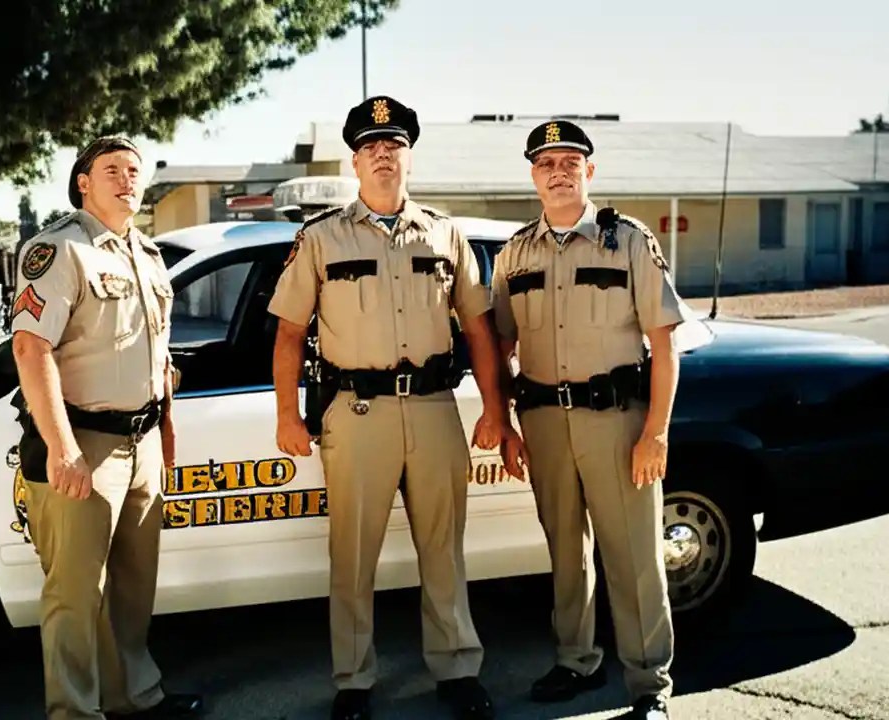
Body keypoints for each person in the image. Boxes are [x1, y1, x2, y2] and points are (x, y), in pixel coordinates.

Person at [267, 95, 522, 720]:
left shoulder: (446, 233)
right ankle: (353, 681)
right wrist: (287, 416)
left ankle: (458, 669)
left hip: (435, 408)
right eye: (371, 148)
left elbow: (479, 329)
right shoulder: (321, 237)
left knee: (444, 548)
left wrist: (495, 409)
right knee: (352, 554)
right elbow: (289, 334)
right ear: (354, 162)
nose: (384, 156)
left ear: (408, 157)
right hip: (355, 414)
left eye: (395, 146)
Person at [490, 119, 686, 720]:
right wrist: (504, 423)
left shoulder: (627, 241)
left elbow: (664, 342)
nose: (557, 172)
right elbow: (498, 345)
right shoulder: (514, 253)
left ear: (589, 172)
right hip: (545, 423)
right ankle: (576, 660)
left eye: (569, 162)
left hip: (617, 422)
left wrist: (656, 432)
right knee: (565, 554)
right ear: (532, 176)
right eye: (546, 163)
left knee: (632, 557)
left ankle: (648, 684)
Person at [9, 134, 202, 720]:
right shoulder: (60, 251)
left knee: (133, 589)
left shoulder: (146, 254)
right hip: (83, 445)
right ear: (83, 183)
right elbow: (29, 347)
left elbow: (154, 350)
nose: (126, 179)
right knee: (74, 597)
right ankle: (74, 712)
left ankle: (132, 697)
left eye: (134, 170)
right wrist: (62, 449)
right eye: (111, 169)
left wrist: (163, 426)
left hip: (140, 445)